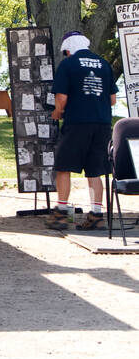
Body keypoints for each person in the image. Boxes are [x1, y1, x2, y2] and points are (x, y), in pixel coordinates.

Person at [48, 31, 115, 231]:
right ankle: (96, 215)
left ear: (68, 49)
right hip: (102, 124)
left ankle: (60, 214)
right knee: (95, 170)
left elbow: (61, 98)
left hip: (77, 123)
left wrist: (57, 113)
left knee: (64, 167)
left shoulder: (68, 64)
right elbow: (112, 100)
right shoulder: (104, 64)